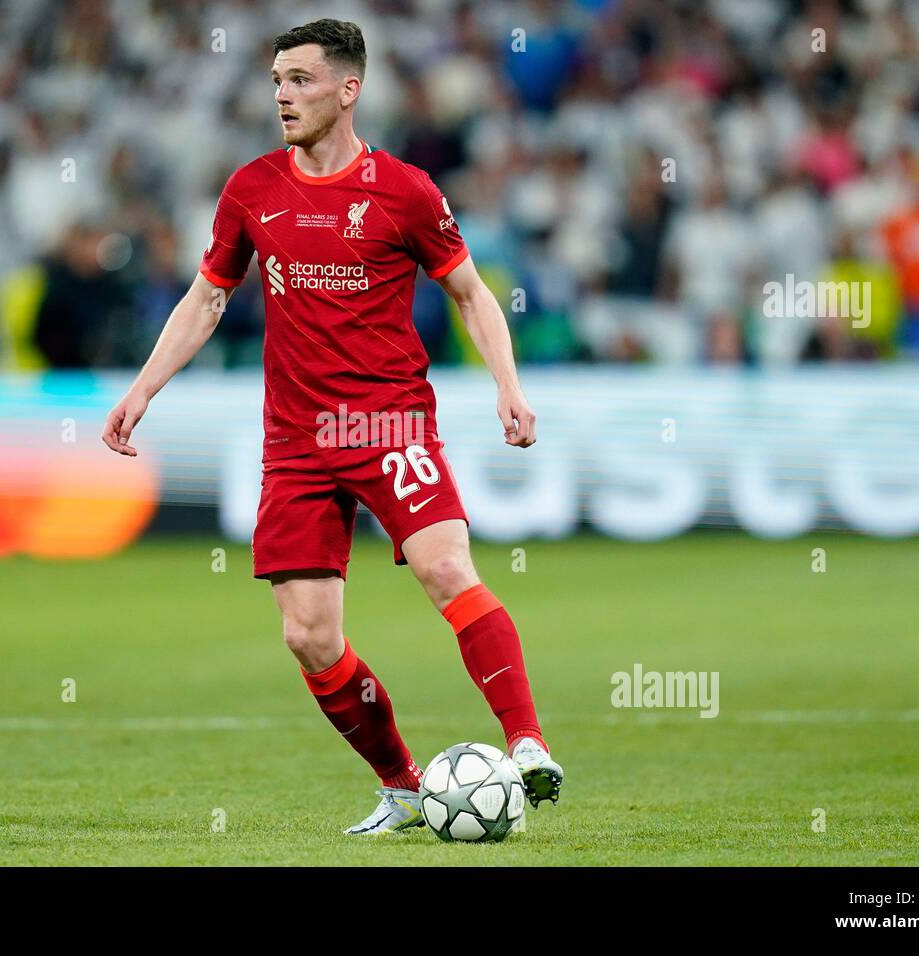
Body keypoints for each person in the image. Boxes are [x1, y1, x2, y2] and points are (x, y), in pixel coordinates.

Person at [101, 19, 561, 834]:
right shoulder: (251, 188)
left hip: (389, 425)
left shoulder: (406, 190)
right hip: (297, 442)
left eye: (302, 79)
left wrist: (508, 388)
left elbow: (470, 293)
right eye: (277, 79)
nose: (282, 93)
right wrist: (143, 390)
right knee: (309, 636)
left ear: (348, 90)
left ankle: (526, 744)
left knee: (447, 567)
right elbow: (208, 298)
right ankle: (405, 786)